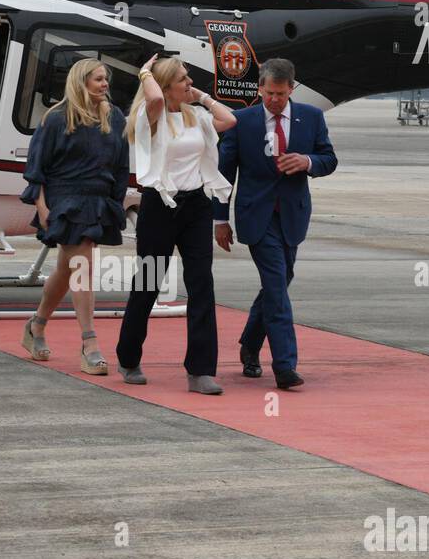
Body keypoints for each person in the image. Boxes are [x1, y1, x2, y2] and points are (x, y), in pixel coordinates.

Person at [115, 55, 236, 395]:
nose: (189, 83)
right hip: (159, 206)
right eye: (183, 79)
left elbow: (229, 120)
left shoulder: (195, 115)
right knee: (149, 285)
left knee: (201, 285)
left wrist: (203, 98)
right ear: (166, 85)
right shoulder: (149, 116)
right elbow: (153, 98)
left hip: (196, 205)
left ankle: (200, 370)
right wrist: (143, 73)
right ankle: (128, 357)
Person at [214, 57, 337, 389]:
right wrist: (219, 219)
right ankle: (284, 365)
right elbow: (224, 173)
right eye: (269, 93)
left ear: (291, 89)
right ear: (260, 88)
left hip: (293, 215)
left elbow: (329, 159)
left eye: (281, 94)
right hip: (256, 216)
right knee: (277, 286)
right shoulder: (241, 121)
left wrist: (307, 161)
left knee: (278, 282)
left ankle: (250, 345)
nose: (274, 100)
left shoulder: (311, 117)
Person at [19, 58, 130, 375]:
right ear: (81, 82)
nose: (105, 84)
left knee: (68, 269)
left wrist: (116, 203)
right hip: (64, 199)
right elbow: (36, 168)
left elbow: (121, 166)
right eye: (98, 79)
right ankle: (89, 342)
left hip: (98, 199)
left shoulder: (115, 116)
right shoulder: (55, 118)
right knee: (82, 264)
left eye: (105, 79)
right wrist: (42, 208)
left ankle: (37, 324)